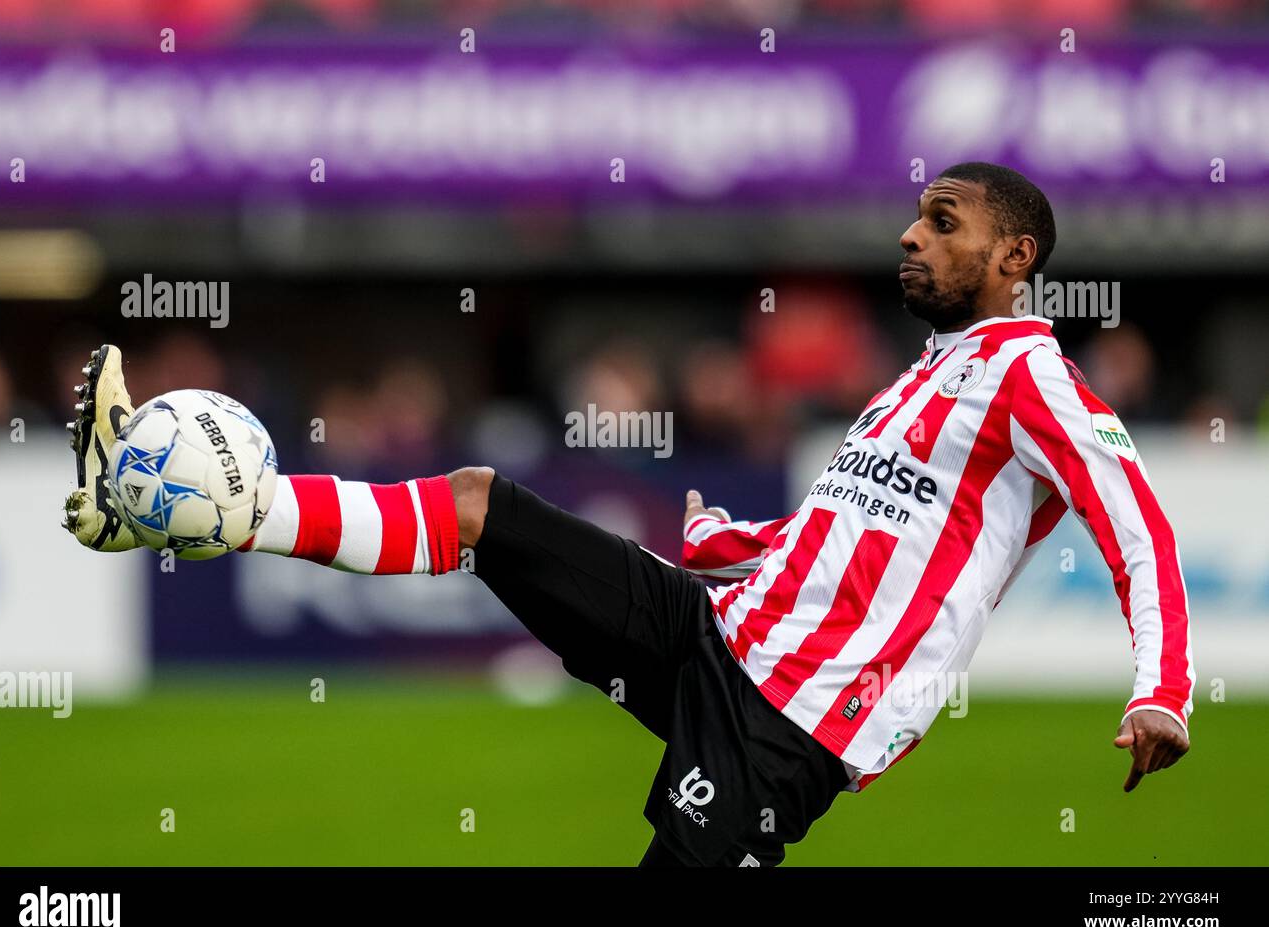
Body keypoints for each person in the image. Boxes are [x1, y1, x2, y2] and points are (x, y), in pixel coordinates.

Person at [62, 162, 1193, 867]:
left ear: (1013, 255)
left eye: (941, 221)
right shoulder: (921, 376)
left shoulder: (1033, 378)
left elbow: (1135, 520)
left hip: (791, 724)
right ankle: (201, 509)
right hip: (723, 630)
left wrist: (1159, 690)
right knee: (478, 506)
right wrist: (737, 547)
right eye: (911, 215)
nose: (909, 234)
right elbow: (855, 534)